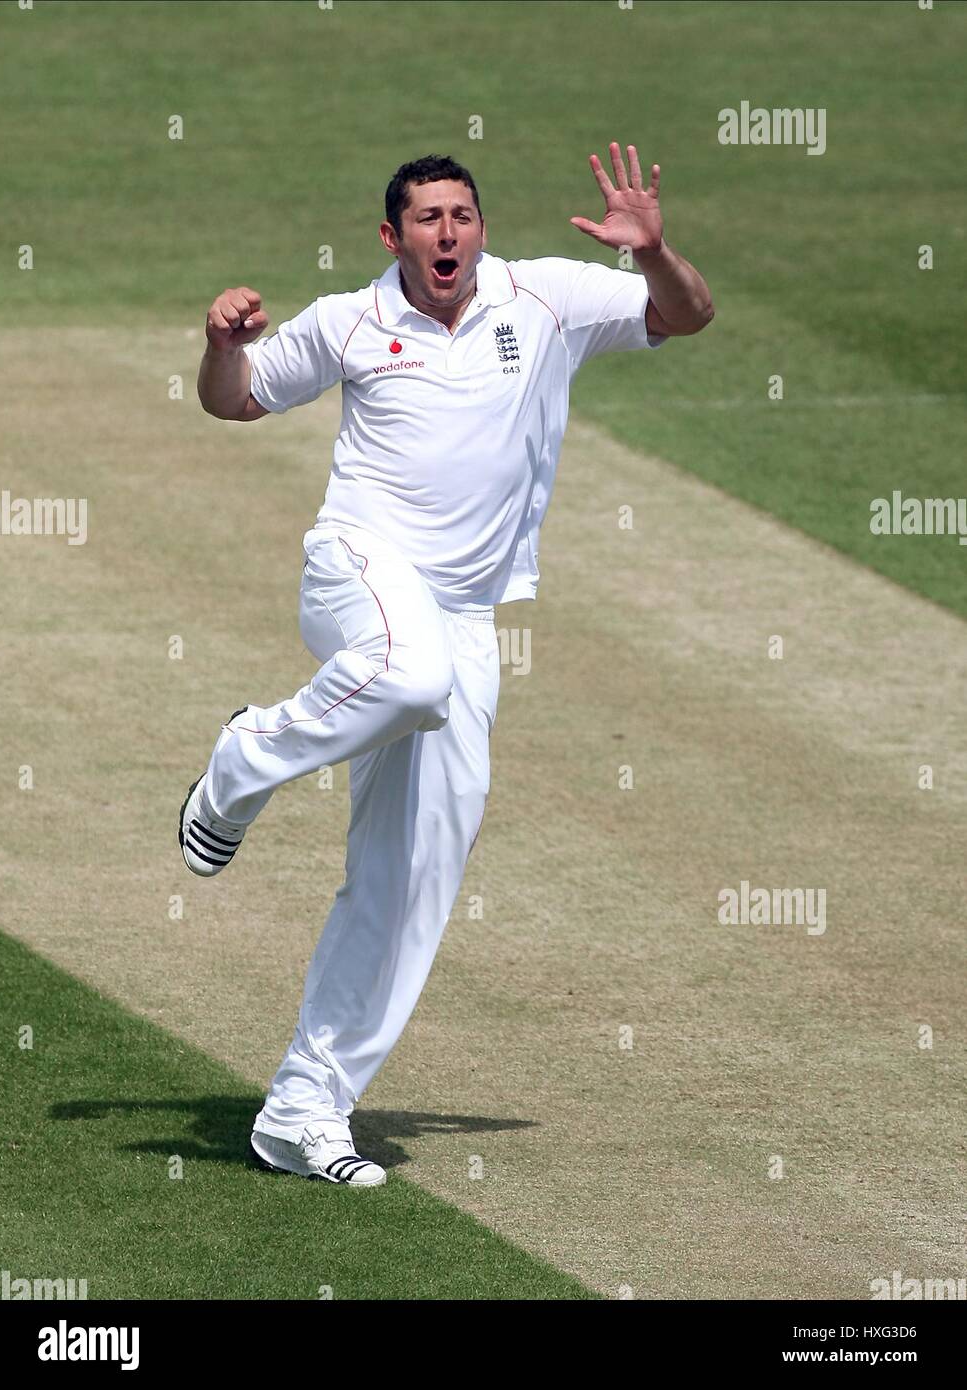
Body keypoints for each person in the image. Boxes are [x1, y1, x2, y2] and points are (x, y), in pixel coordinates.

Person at [182, 145, 713, 1188]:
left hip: (466, 617)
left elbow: (685, 314)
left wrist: (654, 253)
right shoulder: (349, 318)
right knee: (409, 674)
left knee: (412, 877)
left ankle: (303, 1107)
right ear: (394, 237)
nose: (447, 234)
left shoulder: (544, 299)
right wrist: (218, 345)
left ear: (480, 227)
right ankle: (244, 757)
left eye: (461, 215)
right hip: (358, 571)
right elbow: (233, 402)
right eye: (426, 218)